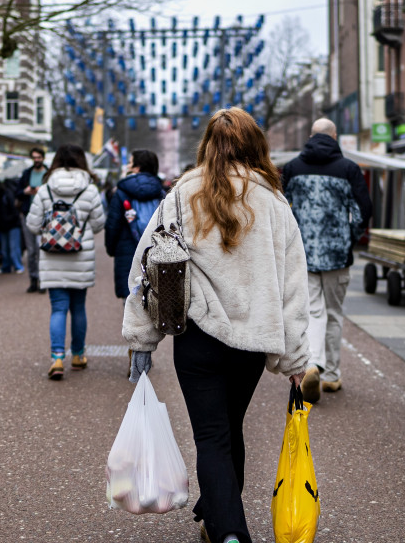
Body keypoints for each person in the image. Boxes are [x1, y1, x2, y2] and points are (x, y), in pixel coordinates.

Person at [122, 108, 310, 543]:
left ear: (207, 144)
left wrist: (142, 340)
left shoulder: (182, 194)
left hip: (198, 336)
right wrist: (296, 357)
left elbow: (146, 266)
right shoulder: (274, 202)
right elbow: (294, 285)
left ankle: (227, 530)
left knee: (212, 436)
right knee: (229, 428)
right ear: (255, 145)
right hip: (251, 341)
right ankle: (220, 517)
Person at [282, 118, 372, 403]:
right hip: (338, 254)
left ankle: (312, 364)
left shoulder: (293, 168)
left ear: (310, 136)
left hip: (303, 253)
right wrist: (351, 237)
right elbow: (363, 211)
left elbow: (283, 209)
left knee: (312, 311)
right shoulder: (349, 169)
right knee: (334, 313)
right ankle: (330, 374)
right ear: (335, 136)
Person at [25, 145, 106, 379]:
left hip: (52, 256)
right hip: (80, 255)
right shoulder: (90, 190)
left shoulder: (44, 189)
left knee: (58, 308)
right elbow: (99, 224)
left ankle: (57, 358)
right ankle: (78, 355)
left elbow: (32, 225)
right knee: (78, 307)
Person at [105, 150, 165, 300]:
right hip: (156, 252)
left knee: (130, 301)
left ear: (137, 168)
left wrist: (111, 248)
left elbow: (113, 224)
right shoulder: (162, 193)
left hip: (128, 251)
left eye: (130, 163)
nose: (128, 166)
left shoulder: (121, 192)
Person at [17, 148, 49, 293]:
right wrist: (25, 191)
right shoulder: (26, 174)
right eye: (34, 157)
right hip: (28, 214)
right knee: (31, 250)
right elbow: (17, 192)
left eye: (39, 157)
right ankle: (33, 279)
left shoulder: (49, 174)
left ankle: (43, 281)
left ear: (43, 158)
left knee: (41, 249)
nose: (37, 160)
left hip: (45, 216)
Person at [0, 176, 24, 274]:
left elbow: (13, 211)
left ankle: (17, 266)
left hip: (10, 224)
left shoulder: (6, 195)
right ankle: (9, 267)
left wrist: (4, 220)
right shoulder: (2, 195)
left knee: (12, 247)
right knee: (7, 248)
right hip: (6, 224)